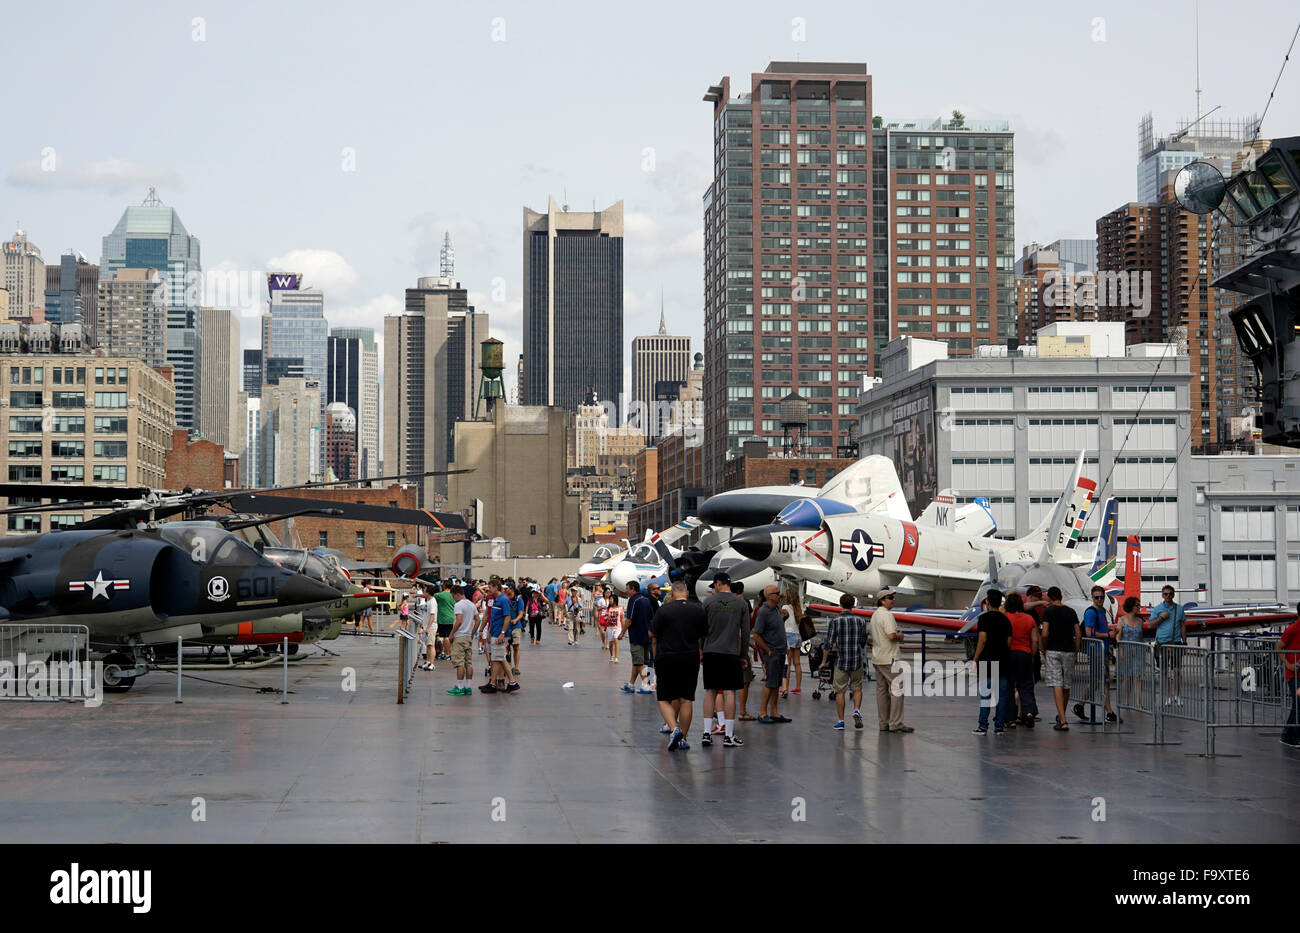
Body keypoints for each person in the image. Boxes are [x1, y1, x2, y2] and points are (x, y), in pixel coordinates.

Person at [652, 580, 707, 750]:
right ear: (687, 593)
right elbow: (704, 634)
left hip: (666, 657)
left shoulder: (663, 610)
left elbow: (653, 634)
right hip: (689, 657)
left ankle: (674, 728)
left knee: (663, 698)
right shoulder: (698, 610)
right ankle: (683, 737)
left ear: (673, 593)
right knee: (686, 699)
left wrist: (655, 658)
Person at [699, 573, 748, 747]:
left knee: (710, 691)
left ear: (719, 583)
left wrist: (701, 650)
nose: (715, 588)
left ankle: (706, 733)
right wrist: (743, 655)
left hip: (711, 651)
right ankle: (728, 735)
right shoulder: (741, 603)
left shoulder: (708, 602)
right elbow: (746, 631)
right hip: (731, 653)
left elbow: (701, 629)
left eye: (715, 585)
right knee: (729, 693)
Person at [821, 593, 869, 729]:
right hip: (857, 661)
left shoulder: (835, 622)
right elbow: (862, 641)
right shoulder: (860, 621)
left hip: (841, 661)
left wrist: (823, 661)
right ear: (853, 605)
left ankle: (841, 721)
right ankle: (856, 710)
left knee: (840, 691)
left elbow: (828, 644)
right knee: (857, 688)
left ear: (840, 605)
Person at [970, 589, 1012, 735]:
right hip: (1003, 660)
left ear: (987, 602)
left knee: (986, 695)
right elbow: (1008, 641)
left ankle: (983, 726)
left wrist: (975, 659)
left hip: (987, 661)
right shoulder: (1005, 619)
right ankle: (999, 726)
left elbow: (982, 640)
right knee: (1001, 696)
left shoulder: (984, 619)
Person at [870, 588, 911, 733]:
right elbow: (892, 636)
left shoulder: (875, 615)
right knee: (897, 689)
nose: (893, 599)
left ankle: (884, 723)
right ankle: (896, 723)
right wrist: (901, 636)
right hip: (889, 658)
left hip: (877, 657)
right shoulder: (887, 616)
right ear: (882, 600)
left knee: (881, 691)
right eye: (890, 597)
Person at [1041, 586, 1081, 730]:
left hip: (1053, 649)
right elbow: (1078, 633)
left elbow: (1045, 633)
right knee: (1067, 684)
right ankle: (1061, 715)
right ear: (1061, 596)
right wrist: (1076, 652)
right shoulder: (1071, 612)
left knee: (1057, 683)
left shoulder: (1048, 611)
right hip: (1069, 650)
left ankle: (1063, 720)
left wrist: (1043, 647)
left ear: (1049, 598)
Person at [1077, 585, 1117, 723]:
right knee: (1103, 681)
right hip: (1097, 651)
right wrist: (1107, 634)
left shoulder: (1102, 611)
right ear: (1092, 597)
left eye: (1101, 597)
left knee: (1096, 681)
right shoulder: (1091, 612)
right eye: (1096, 597)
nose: (1099, 600)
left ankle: (1080, 705)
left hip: (1103, 649)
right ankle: (1109, 711)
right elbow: (1089, 633)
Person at [752, 584, 791, 723]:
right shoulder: (764, 612)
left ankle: (774, 712)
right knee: (770, 683)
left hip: (780, 651)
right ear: (769, 596)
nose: (779, 595)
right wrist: (768, 651)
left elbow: (774, 628)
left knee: (776, 683)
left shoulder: (775, 609)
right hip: (773, 652)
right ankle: (762, 712)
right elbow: (756, 635)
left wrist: (783, 618)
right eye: (776, 593)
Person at [1004, 591, 1040, 728]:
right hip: (1025, 654)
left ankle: (1011, 719)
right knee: (1026, 686)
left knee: (1009, 687)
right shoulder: (1029, 619)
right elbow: (1035, 640)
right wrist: (1032, 655)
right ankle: (1029, 713)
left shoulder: (1006, 617)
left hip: (1010, 655)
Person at [1150, 585, 1187, 706]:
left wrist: (1185, 641)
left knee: (1177, 671)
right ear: (1162, 595)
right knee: (1164, 672)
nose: (1168, 596)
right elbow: (1150, 625)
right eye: (1165, 594)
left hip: (1175, 642)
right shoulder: (1157, 609)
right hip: (1161, 643)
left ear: (1173, 595)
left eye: (1170, 594)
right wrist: (1161, 617)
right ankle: (1168, 696)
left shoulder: (1179, 609)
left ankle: (1177, 695)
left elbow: (1182, 626)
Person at [481, 581, 519, 693]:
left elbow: (507, 617)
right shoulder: (496, 600)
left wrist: (502, 632)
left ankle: (512, 682)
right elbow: (492, 618)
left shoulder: (503, 600)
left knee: (500, 658)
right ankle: (493, 683)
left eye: (490, 587)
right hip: (495, 632)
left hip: (499, 634)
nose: (488, 590)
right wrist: (488, 631)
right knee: (496, 659)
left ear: (496, 587)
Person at [620, 581, 656, 694]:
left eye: (627, 589)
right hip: (647, 636)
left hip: (636, 636)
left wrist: (622, 633)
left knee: (639, 662)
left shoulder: (633, 600)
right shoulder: (646, 600)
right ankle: (631, 684)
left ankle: (646, 685)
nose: (626, 591)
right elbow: (652, 617)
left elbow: (629, 619)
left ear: (633, 589)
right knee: (642, 661)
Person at [445, 585, 480, 696]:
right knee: (468, 662)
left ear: (456, 594)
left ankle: (460, 687)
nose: (453, 598)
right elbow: (478, 620)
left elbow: (458, 621)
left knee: (459, 662)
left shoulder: (458, 605)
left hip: (459, 636)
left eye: (453, 596)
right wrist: (472, 633)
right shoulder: (471, 604)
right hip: (468, 636)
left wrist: (451, 634)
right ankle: (468, 687)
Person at [1113, 596, 1146, 712]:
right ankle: (1126, 701)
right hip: (1125, 650)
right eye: (1137, 605)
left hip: (1138, 650)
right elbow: (1118, 636)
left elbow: (1141, 637)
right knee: (1127, 677)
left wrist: (1145, 649)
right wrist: (1120, 650)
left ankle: (1138, 702)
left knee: (1137, 677)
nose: (1139, 607)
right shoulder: (1122, 620)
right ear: (1131, 606)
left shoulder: (1140, 621)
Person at [1279, 608, 1300, 747]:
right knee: (1298, 705)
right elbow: (1278, 648)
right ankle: (1294, 737)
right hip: (1294, 675)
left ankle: (1287, 735)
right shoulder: (1292, 629)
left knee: (1297, 706)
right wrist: (1289, 665)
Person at [781, 594, 802, 697]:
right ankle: (798, 687)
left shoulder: (785, 607)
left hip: (788, 634)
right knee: (797, 663)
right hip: (798, 635)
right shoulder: (799, 609)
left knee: (787, 663)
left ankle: (786, 688)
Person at [434, 581, 456, 662]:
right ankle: (452, 652)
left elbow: (430, 595)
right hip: (452, 618)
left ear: (444, 586)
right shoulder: (454, 595)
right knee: (452, 636)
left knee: (445, 636)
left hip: (443, 619)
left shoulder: (439, 595)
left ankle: (447, 654)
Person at [605, 594, 624, 663]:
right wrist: (606, 618)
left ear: (615, 600)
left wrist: (623, 629)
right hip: (610, 627)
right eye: (609, 599)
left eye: (611, 599)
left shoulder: (620, 608)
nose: (610, 600)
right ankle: (612, 656)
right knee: (610, 643)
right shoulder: (609, 608)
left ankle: (616, 657)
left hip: (617, 627)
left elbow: (621, 619)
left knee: (616, 641)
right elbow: (605, 617)